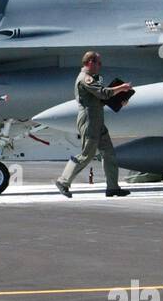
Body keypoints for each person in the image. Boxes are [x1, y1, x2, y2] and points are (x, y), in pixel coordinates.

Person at [55, 51, 133, 198]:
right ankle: (63, 181)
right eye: (98, 63)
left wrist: (120, 100)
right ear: (90, 62)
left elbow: (101, 100)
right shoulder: (85, 79)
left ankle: (113, 188)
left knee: (109, 153)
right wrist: (121, 88)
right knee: (86, 154)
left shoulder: (92, 78)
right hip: (89, 120)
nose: (100, 66)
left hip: (97, 120)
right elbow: (103, 93)